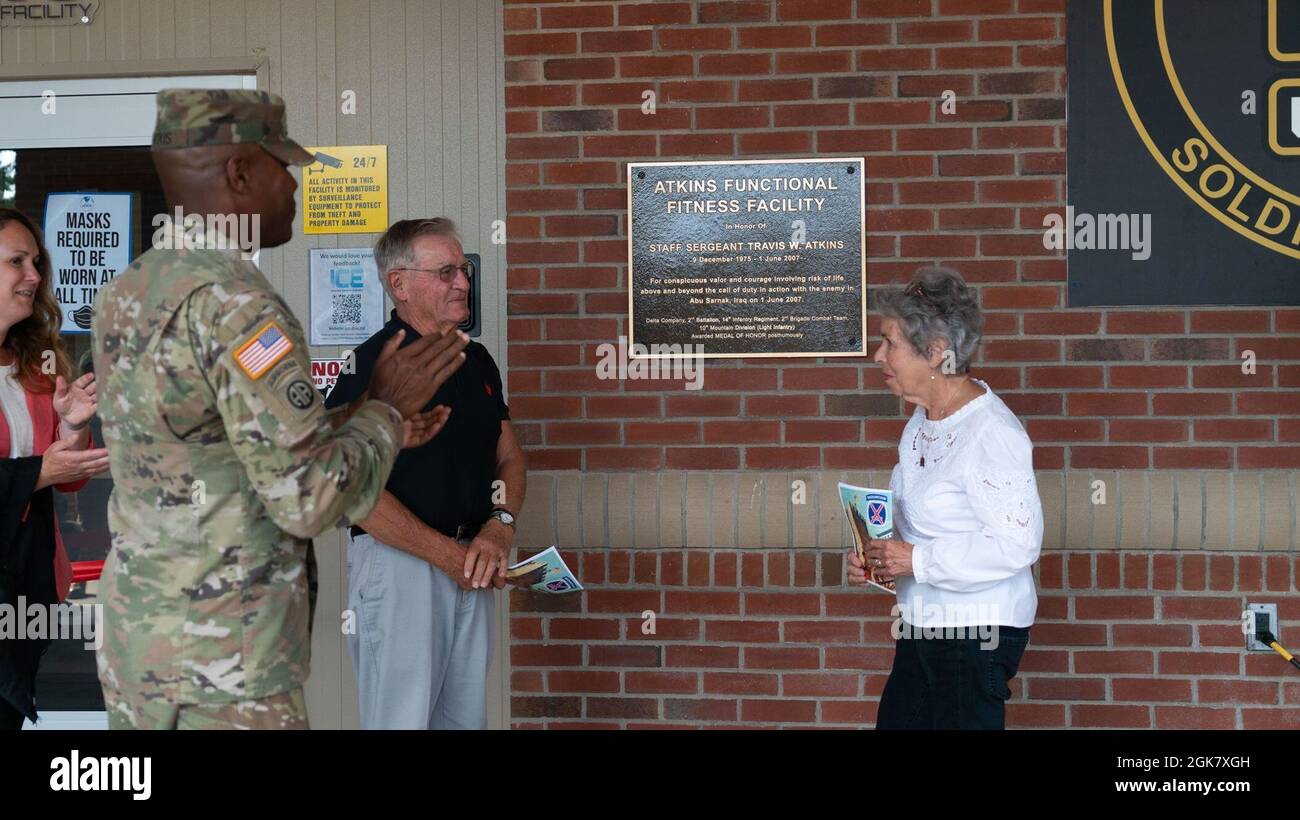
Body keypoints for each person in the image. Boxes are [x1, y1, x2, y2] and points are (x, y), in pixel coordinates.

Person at [90, 89, 469, 730]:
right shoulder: (238, 306)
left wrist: (364, 421)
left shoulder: (130, 288)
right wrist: (383, 410)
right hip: (226, 664)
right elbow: (308, 497)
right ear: (240, 173)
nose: (294, 185)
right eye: (282, 166)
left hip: (144, 646)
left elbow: (210, 445)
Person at [325, 218, 527, 730]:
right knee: (403, 721)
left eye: (463, 270)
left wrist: (499, 526)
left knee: (464, 722)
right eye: (445, 272)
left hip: (471, 565)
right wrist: (448, 556)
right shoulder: (369, 367)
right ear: (400, 284)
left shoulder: (476, 360)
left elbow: (510, 458)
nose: (462, 282)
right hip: (403, 568)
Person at [849, 266, 1043, 730]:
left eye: (889, 343)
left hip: (974, 637)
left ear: (935, 352)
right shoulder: (922, 421)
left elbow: (1017, 546)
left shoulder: (991, 433)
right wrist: (874, 553)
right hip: (922, 625)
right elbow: (914, 516)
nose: (878, 356)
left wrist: (915, 561)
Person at [0, 208, 109, 730]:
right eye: (17, 261)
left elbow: (64, 476)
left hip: (25, 575)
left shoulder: (33, 363)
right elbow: (37, 471)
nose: (35, 276)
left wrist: (70, 429)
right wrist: (37, 471)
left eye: (37, 262)